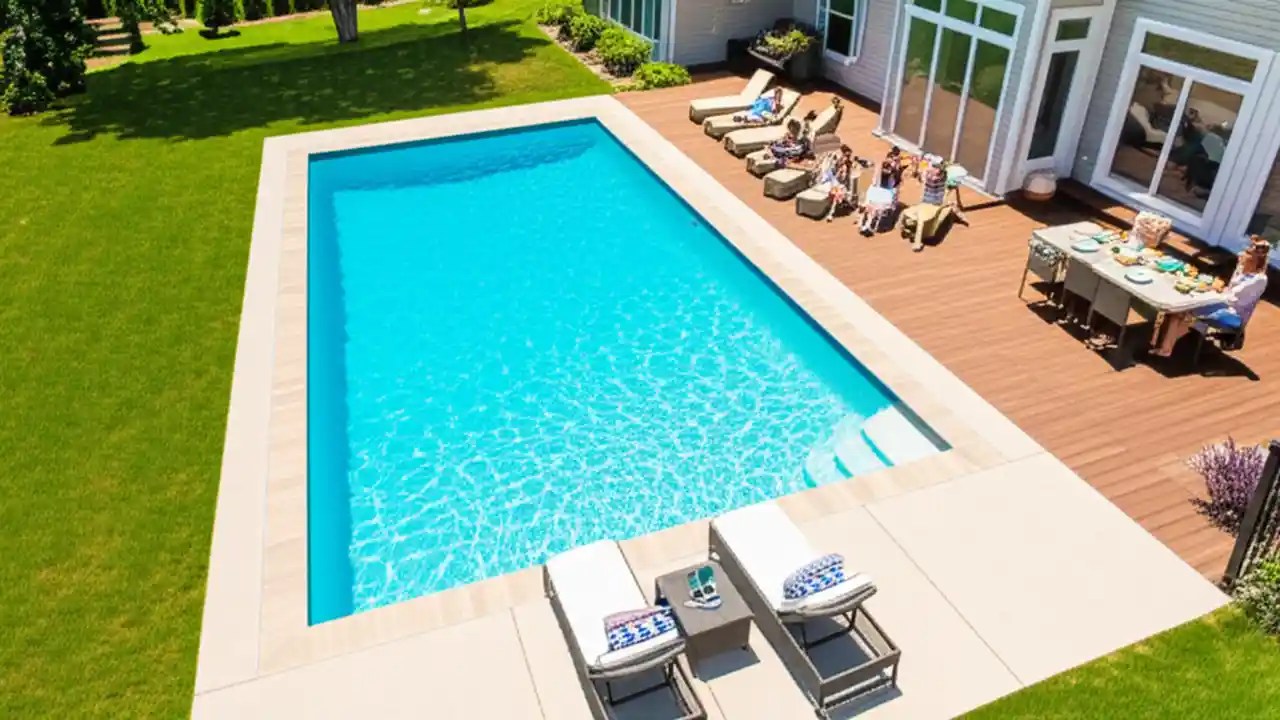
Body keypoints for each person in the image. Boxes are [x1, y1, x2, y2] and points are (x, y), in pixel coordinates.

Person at [1152, 236, 1270, 357]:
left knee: (1185, 311)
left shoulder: (1258, 280)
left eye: (1246, 253)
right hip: (1223, 301)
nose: (1240, 255)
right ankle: (1166, 345)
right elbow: (1229, 289)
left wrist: (1214, 293)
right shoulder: (1242, 267)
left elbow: (1235, 299)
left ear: (1255, 259)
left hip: (1233, 312)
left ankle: (1166, 347)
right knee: (1179, 310)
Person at [859, 156, 902, 235]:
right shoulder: (887, 178)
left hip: (882, 197)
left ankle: (867, 225)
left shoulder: (890, 178)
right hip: (880, 197)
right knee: (870, 209)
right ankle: (867, 225)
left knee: (872, 210)